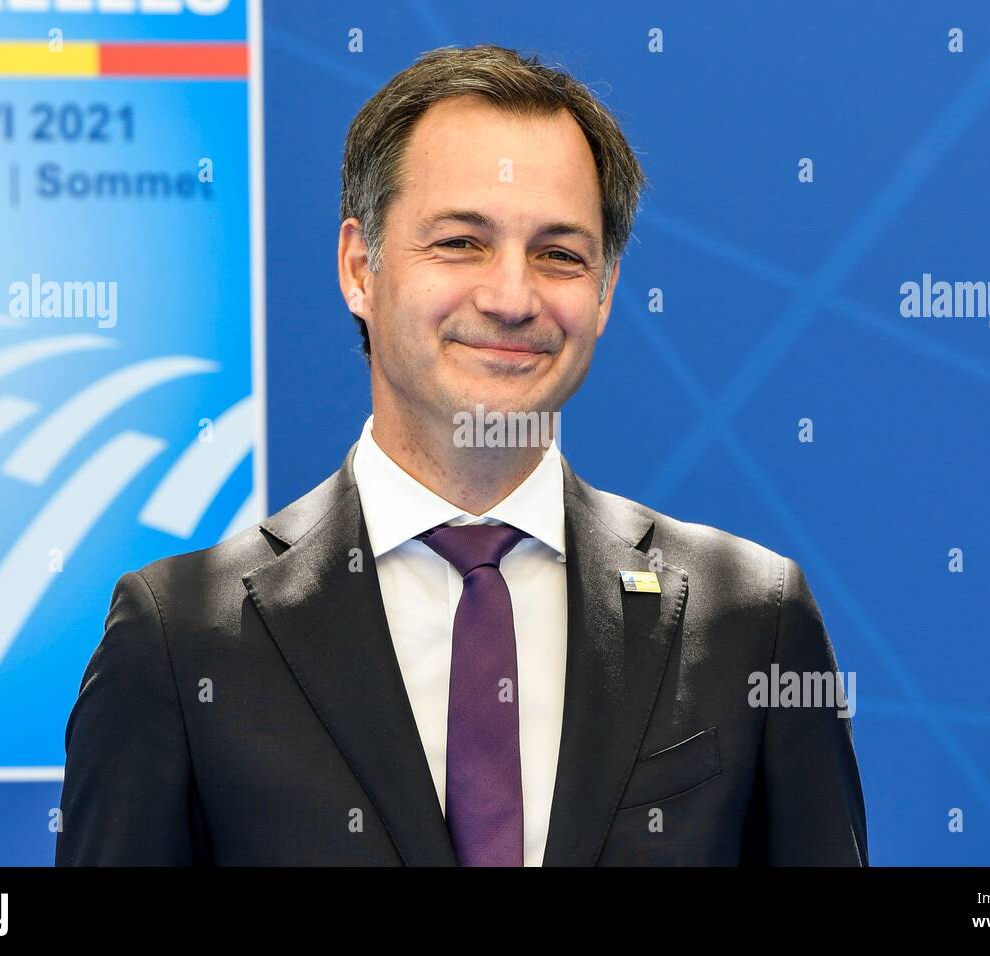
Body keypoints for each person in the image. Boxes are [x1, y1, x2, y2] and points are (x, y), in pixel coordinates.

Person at [56, 44, 868, 866]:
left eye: (559, 254)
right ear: (359, 269)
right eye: (460, 242)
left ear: (606, 292)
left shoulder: (752, 620)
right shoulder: (178, 641)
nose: (511, 297)